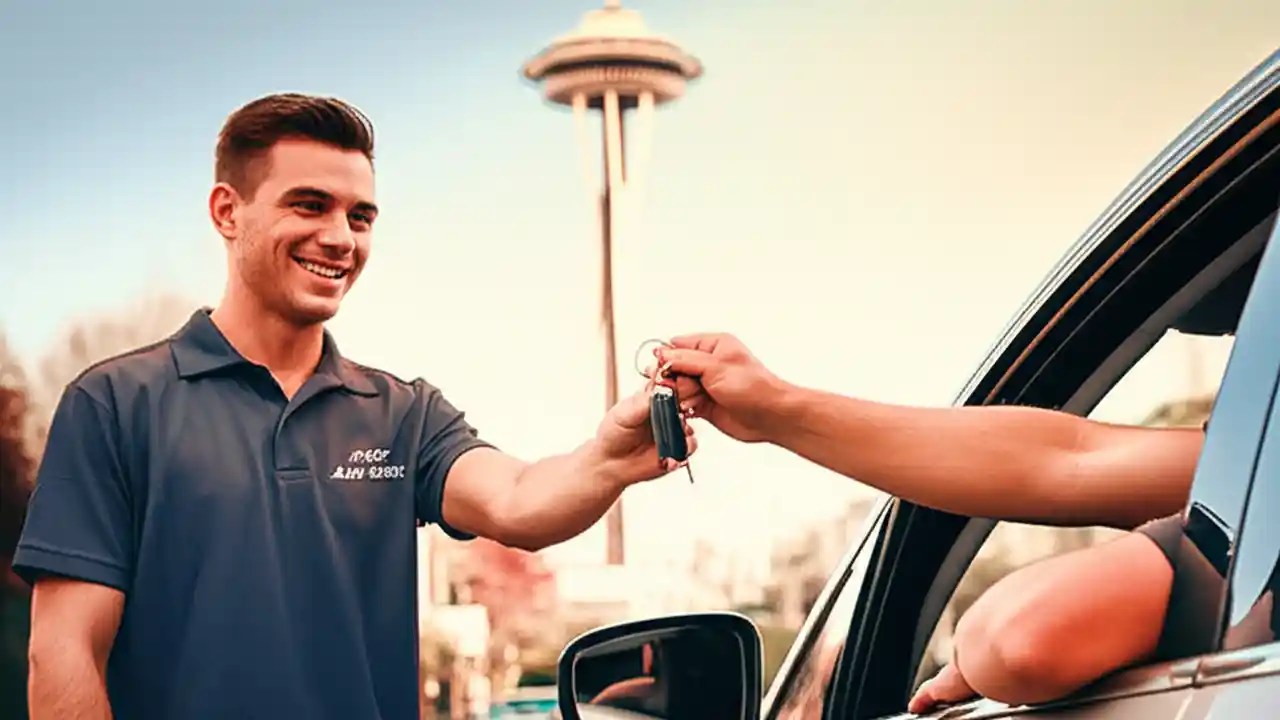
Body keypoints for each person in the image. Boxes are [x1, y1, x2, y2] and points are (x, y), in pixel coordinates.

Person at [11, 93, 695, 720]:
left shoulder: (402, 413)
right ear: (228, 211)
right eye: (309, 205)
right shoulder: (115, 405)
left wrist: (608, 459)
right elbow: (64, 651)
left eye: (360, 216)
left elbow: (518, 499)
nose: (341, 237)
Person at [651, 332, 1211, 712]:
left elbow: (1023, 639)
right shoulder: (1252, 456)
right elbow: (1071, 458)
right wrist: (774, 406)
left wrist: (970, 665)